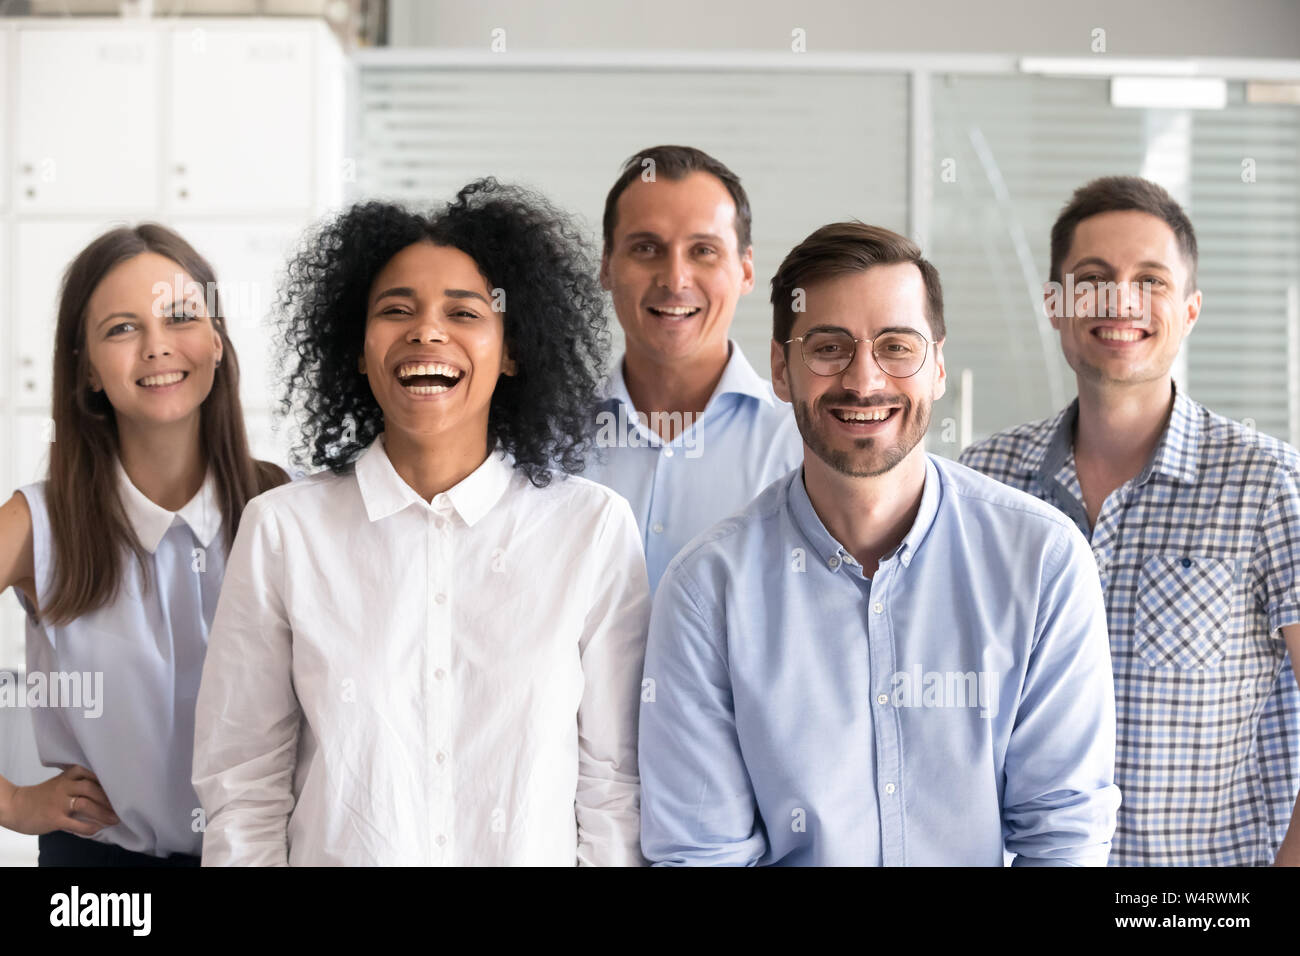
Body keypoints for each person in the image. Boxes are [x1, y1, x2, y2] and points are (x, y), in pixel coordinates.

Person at [192, 180, 650, 866]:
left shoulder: (592, 531)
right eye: (395, 309)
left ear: (513, 348)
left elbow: (612, 789)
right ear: (358, 347)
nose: (426, 331)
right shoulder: (284, 532)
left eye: (464, 312)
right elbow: (243, 786)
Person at [638, 221, 1120, 866]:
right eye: (828, 348)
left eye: (897, 347)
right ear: (781, 370)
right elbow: (703, 854)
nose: (864, 381)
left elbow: (1062, 837)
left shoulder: (1043, 561)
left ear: (939, 366)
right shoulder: (707, 591)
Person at [961, 176, 1300, 867]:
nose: (1120, 300)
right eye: (1092, 279)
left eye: (1150, 279)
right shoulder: (980, 481)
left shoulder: (1271, 487)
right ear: (1054, 305)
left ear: (1190, 308)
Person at [0, 224, 287, 865]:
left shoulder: (287, 510)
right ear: (89, 371)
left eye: (180, 317)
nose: (157, 347)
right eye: (121, 329)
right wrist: (13, 804)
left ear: (216, 341)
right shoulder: (38, 523)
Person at [584, 145, 803, 592]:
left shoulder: (803, 446)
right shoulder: (545, 443)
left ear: (745, 270)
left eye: (703, 250)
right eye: (647, 248)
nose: (675, 279)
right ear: (607, 266)